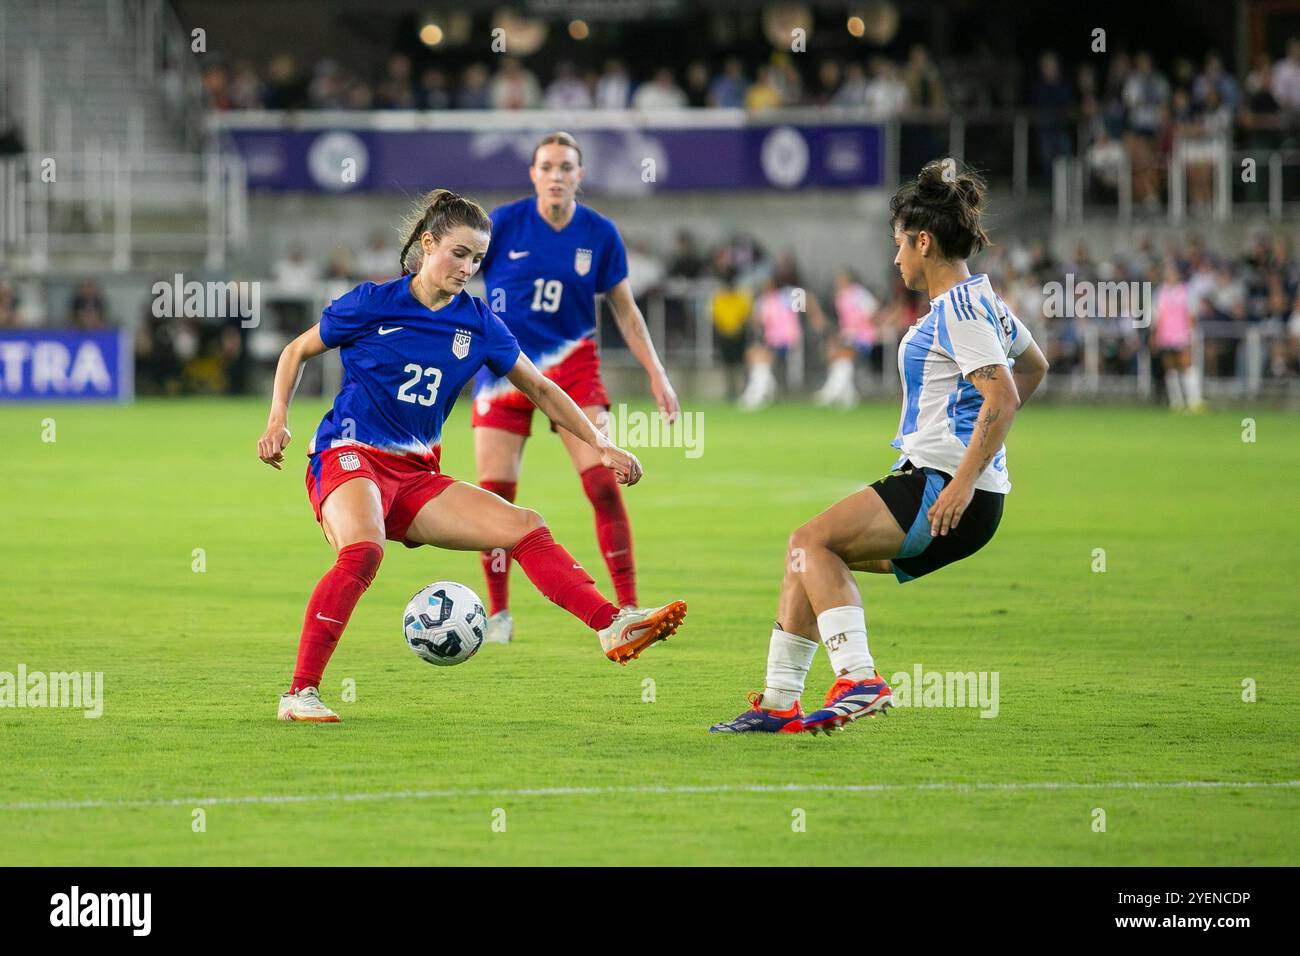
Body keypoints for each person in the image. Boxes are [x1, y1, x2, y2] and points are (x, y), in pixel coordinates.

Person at [259, 189, 686, 723]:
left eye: (478, 259)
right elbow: (295, 350)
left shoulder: (479, 323)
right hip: (348, 455)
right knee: (364, 552)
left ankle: (610, 624)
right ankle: (300, 693)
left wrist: (601, 442)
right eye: (459, 254)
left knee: (527, 526)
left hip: (415, 474)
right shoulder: (372, 302)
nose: (468, 267)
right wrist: (279, 417)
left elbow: (542, 389)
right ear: (428, 244)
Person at [710, 160, 1049, 734]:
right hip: (957, 488)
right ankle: (777, 703)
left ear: (924, 241)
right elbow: (1033, 367)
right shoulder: (979, 302)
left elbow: (1006, 396)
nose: (895, 259)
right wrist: (983, 448)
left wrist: (966, 475)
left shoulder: (959, 311)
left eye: (899, 245)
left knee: (808, 542)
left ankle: (860, 677)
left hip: (943, 487)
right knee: (809, 555)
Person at [469, 133, 680, 644]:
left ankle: (629, 606)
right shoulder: (500, 225)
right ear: (534, 174)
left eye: (566, 167)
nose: (557, 175)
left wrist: (657, 373)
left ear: (579, 176)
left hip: (573, 370)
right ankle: (498, 616)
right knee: (494, 498)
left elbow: (625, 311)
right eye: (547, 166)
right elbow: (454, 275)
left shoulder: (599, 234)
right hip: (503, 367)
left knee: (604, 483)